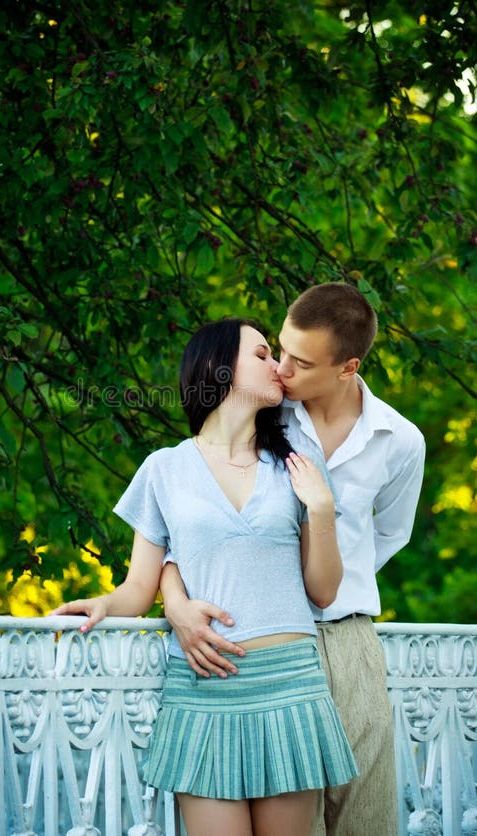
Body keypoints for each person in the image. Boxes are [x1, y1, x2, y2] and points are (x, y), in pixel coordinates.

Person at [50, 318, 358, 836]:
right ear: (220, 367)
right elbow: (137, 588)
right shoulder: (163, 469)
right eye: (262, 355)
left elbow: (323, 591)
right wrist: (104, 603)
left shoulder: (300, 467)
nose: (278, 366)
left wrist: (322, 512)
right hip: (205, 688)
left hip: (288, 684)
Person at [160, 283, 426, 836]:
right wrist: (176, 599)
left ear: (347, 367)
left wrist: (323, 576)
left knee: (363, 815)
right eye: (278, 349)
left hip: (345, 635)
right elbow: (193, 519)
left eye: (300, 362)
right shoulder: (263, 413)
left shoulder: (399, 441)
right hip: (257, 646)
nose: (281, 368)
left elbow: (390, 536)